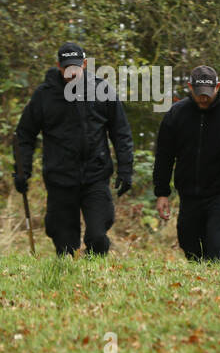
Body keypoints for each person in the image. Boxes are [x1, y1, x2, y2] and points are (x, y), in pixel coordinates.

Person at [12, 43, 133, 256]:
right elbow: (24, 135)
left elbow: (121, 132)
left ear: (84, 64)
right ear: (58, 66)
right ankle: (68, 281)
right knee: (65, 246)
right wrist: (23, 170)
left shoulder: (102, 90)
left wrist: (126, 169)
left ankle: (95, 268)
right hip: (60, 177)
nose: (71, 73)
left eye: (75, 68)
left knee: (97, 235)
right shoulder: (44, 95)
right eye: (66, 68)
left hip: (95, 175)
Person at [151, 65, 220, 261]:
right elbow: (164, 156)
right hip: (189, 195)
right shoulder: (176, 115)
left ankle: (218, 285)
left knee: (218, 249)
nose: (204, 97)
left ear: (218, 87)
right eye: (199, 93)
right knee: (190, 246)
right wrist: (162, 192)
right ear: (190, 87)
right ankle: (199, 286)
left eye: (209, 92)